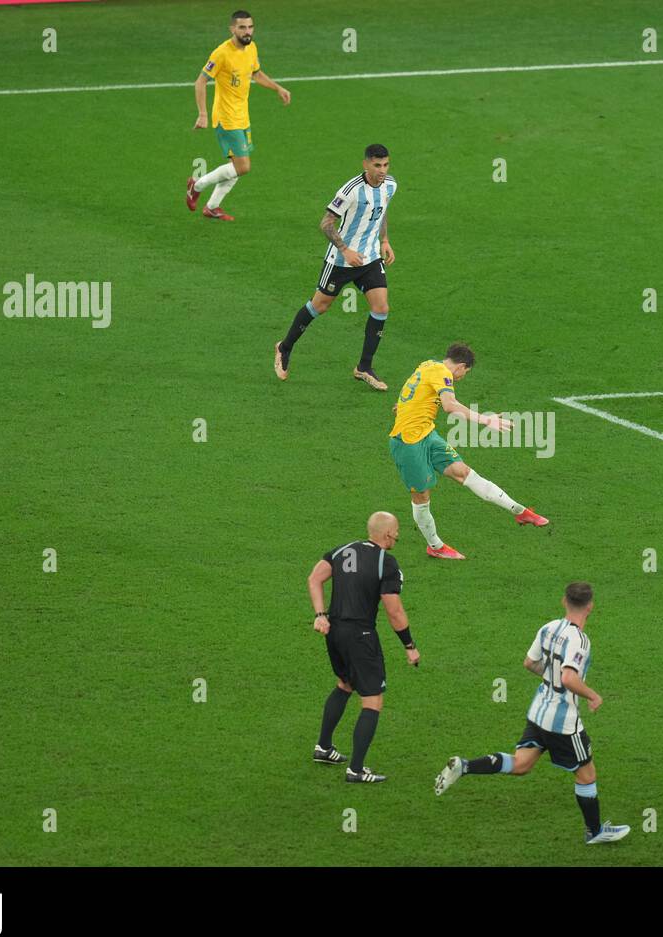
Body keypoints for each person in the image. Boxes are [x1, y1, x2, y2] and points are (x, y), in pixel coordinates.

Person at [433, 582, 630, 845]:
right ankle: (594, 832)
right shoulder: (580, 640)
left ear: (564, 601)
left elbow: (529, 663)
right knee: (586, 774)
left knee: (521, 764)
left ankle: (465, 766)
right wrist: (592, 695)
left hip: (538, 711)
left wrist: (550, 677)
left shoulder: (548, 627)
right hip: (563, 722)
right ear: (590, 606)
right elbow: (569, 677)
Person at [388, 342, 548, 561]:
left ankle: (519, 511)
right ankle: (434, 546)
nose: (462, 377)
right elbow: (450, 406)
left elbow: (412, 389)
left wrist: (404, 407)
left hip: (427, 433)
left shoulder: (428, 365)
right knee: (421, 495)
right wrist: (486, 420)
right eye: (465, 373)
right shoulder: (443, 374)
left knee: (463, 472)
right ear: (461, 366)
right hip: (407, 442)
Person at [307, 511, 420, 783]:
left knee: (345, 683)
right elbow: (394, 611)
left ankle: (323, 747)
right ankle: (356, 770)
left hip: (334, 632)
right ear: (387, 534)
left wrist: (320, 615)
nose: (398, 535)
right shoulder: (386, 562)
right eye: (397, 530)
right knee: (372, 700)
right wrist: (409, 645)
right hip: (361, 635)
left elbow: (314, 578)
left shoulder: (342, 550)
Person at [276, 144, 398, 389]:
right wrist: (345, 250)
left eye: (385, 165)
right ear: (365, 164)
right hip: (341, 260)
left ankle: (364, 367)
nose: (382, 170)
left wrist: (384, 240)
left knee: (381, 307)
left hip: (370, 258)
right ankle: (284, 347)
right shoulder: (350, 191)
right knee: (320, 306)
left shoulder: (390, 185)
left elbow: (381, 210)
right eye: (376, 165)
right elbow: (326, 223)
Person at [185, 9, 291, 222]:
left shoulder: (251, 48)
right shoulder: (221, 53)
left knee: (237, 167)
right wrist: (203, 114)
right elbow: (200, 81)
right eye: (242, 27)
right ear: (232, 29)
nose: (247, 31)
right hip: (226, 117)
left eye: (250, 27)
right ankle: (196, 186)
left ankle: (212, 207)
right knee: (243, 166)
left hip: (242, 116)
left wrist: (277, 88)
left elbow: (256, 74)